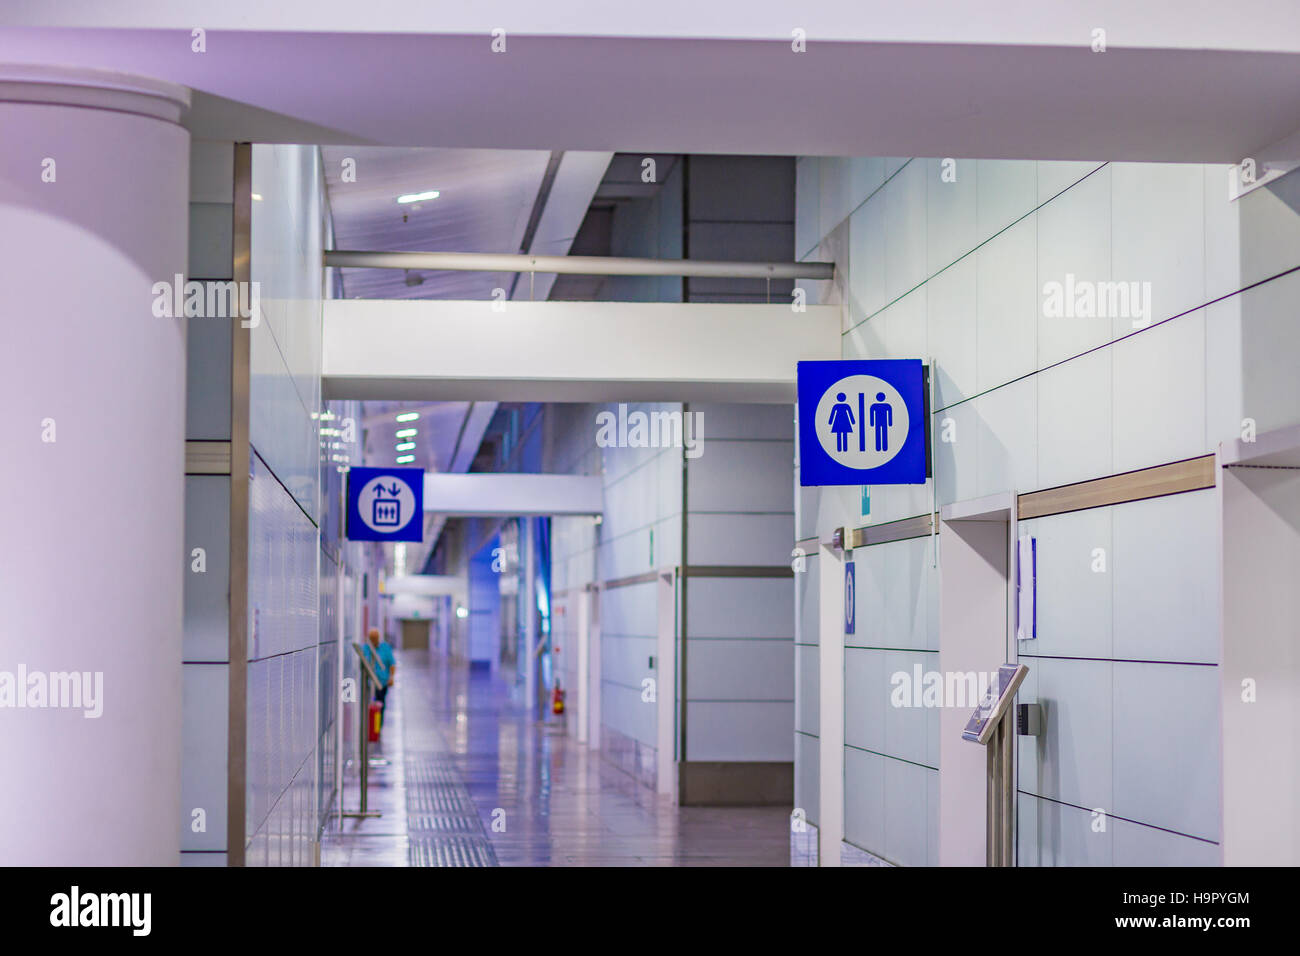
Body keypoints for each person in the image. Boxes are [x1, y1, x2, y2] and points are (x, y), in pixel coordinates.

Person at [363, 626, 396, 732]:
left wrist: (391, 678)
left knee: (380, 703)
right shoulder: (366, 648)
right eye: (371, 638)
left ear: (378, 638)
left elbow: (392, 664)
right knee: (370, 703)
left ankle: (378, 726)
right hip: (368, 683)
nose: (373, 641)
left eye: (375, 638)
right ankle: (369, 725)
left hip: (381, 683)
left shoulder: (385, 648)